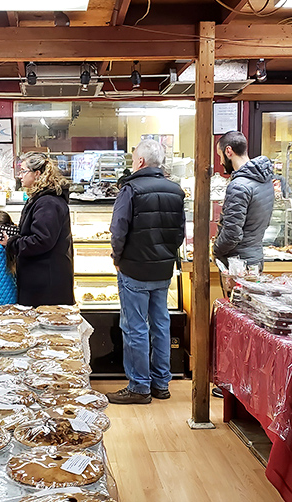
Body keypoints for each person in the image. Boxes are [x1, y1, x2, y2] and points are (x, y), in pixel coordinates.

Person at [105, 139, 185, 405]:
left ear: (139, 161)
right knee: (161, 324)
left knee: (135, 328)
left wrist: (117, 257)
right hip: (163, 270)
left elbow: (118, 229)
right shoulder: (175, 190)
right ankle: (161, 383)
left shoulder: (131, 189)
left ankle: (139, 387)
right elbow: (180, 233)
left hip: (134, 268)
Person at [211, 130, 274, 399]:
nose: (220, 163)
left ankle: (232, 384)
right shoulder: (265, 180)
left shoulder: (239, 185)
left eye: (219, 156)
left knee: (236, 325)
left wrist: (215, 248)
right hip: (255, 259)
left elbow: (233, 233)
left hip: (237, 264)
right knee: (251, 324)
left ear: (228, 152)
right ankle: (247, 384)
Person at [2, 152, 75, 307]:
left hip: (46, 282)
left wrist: (12, 242)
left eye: (23, 171)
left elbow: (42, 240)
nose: (20, 176)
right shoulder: (41, 199)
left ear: (37, 174)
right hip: (43, 277)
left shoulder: (47, 202)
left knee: (46, 326)